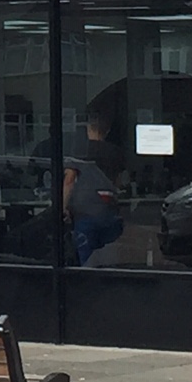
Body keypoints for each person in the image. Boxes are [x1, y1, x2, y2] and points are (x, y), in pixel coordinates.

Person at [63, 109, 125, 266]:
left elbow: (69, 180)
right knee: (108, 256)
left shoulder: (80, 151)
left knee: (85, 256)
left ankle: (88, 285)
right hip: (109, 211)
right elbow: (120, 182)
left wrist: (62, 207)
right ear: (107, 130)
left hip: (85, 210)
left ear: (88, 128)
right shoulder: (115, 152)